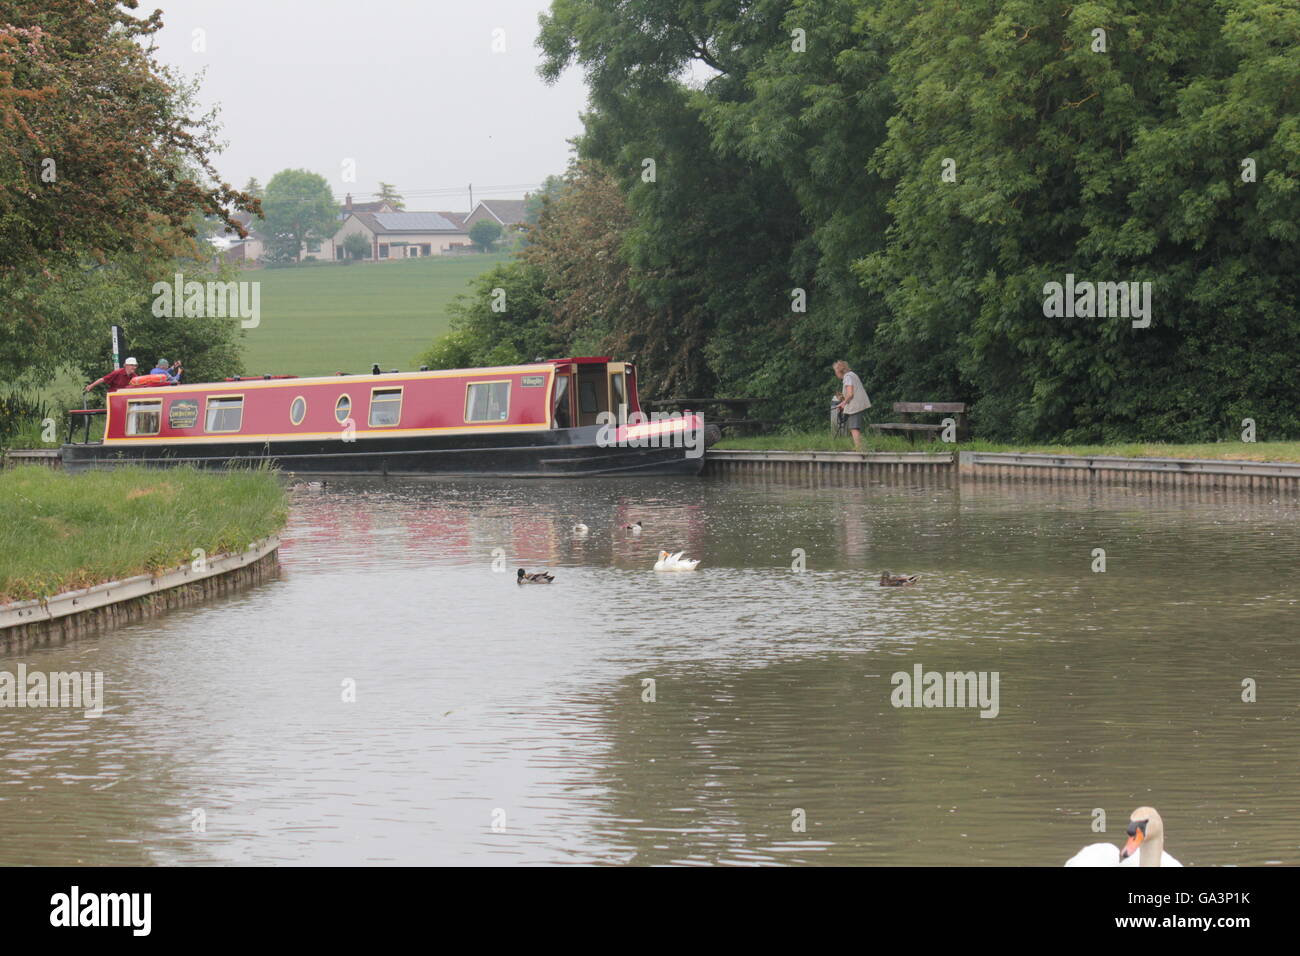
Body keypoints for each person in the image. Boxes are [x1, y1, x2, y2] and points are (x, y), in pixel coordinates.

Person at [833, 359, 871, 452]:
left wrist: (843, 404)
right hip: (857, 404)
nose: (835, 373)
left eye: (835, 371)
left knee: (854, 427)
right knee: (854, 427)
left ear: (839, 371)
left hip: (855, 405)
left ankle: (859, 449)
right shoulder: (852, 374)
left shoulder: (848, 377)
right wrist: (842, 401)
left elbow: (850, 394)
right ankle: (860, 447)